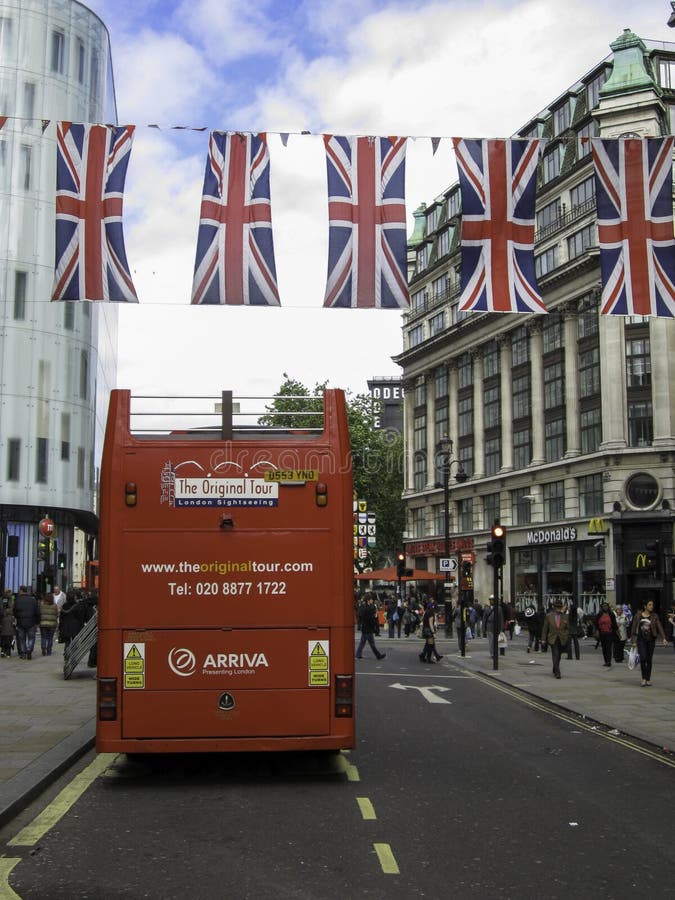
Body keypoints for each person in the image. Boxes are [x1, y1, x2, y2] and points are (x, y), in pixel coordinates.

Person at [630, 599, 667, 686]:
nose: (651, 606)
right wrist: (633, 641)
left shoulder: (654, 616)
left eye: (652, 605)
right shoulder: (638, 616)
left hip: (651, 640)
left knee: (649, 660)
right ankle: (643, 678)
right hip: (641, 640)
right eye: (650, 605)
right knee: (643, 658)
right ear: (645, 606)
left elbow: (659, 626)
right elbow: (633, 628)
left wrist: (664, 638)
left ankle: (648, 679)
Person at [540, 598, 569, 678]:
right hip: (552, 638)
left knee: (559, 655)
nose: (558, 609)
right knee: (555, 654)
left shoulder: (565, 616)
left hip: (562, 638)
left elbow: (568, 628)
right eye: (557, 607)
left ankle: (555, 667)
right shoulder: (549, 616)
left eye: (560, 607)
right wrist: (543, 639)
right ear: (554, 607)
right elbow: (545, 628)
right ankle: (557, 672)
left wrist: (566, 635)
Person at [355, 593, 386, 660]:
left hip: (364, 627)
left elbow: (360, 616)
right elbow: (370, 619)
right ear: (368, 600)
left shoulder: (363, 607)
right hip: (368, 628)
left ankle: (358, 654)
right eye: (371, 599)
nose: (372, 600)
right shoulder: (369, 608)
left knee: (362, 642)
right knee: (372, 644)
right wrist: (374, 627)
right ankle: (378, 656)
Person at [13, 586, 40, 660]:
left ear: (21, 591)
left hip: (20, 622)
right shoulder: (33, 600)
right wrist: (37, 622)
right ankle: (29, 649)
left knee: (22, 639)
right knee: (31, 637)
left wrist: (17, 618)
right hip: (31, 622)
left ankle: (23, 653)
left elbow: (14, 611)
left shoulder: (17, 600)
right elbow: (37, 612)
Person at [594, 601, 617, 667]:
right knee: (604, 648)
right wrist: (597, 631)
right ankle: (606, 661)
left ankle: (609, 661)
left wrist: (616, 632)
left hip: (609, 633)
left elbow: (614, 624)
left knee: (608, 647)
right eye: (604, 606)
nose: (605, 607)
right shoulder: (599, 614)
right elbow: (596, 623)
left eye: (606, 606)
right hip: (602, 633)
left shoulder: (611, 614)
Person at [39, 591, 59, 656]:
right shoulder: (55, 606)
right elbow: (57, 614)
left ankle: (43, 647)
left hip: (43, 623)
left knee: (43, 637)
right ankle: (49, 651)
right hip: (52, 624)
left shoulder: (42, 605)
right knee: (50, 638)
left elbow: (39, 613)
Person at [1, 589, 15, 658]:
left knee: (3, 636)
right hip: (8, 619)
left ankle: (3, 651)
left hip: (3, 620)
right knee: (9, 636)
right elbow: (9, 609)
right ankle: (8, 652)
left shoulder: (2, 599)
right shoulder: (9, 599)